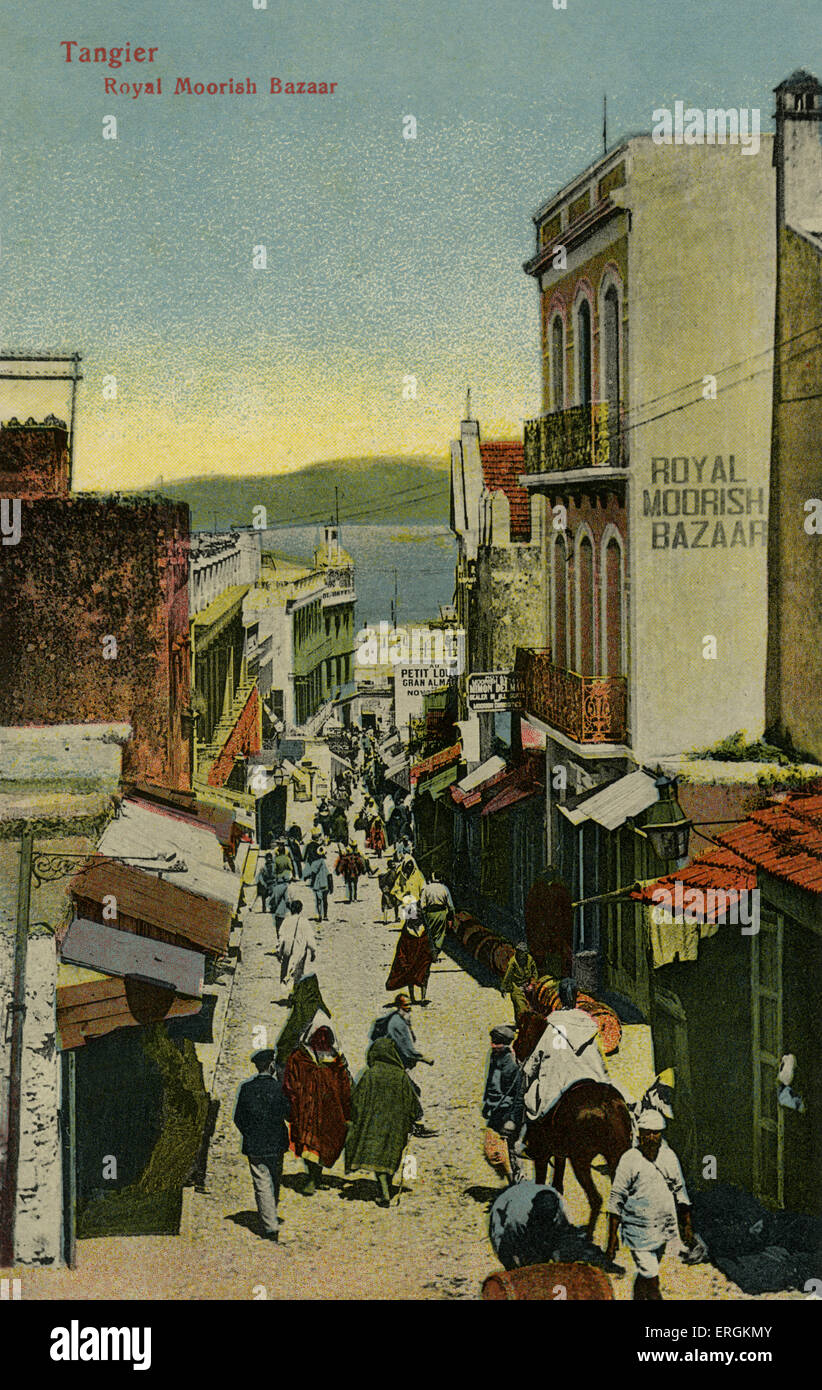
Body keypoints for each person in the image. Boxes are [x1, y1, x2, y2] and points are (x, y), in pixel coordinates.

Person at [605, 1110, 695, 1300]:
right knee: (652, 1278)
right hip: (637, 1230)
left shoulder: (669, 1157)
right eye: (647, 1132)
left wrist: (687, 1227)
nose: (652, 1137)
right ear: (640, 1134)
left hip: (663, 1228)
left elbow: (680, 1192)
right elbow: (616, 1199)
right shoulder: (629, 1159)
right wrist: (612, 1239)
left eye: (656, 1132)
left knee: (646, 1275)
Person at [344, 1036, 422, 1207]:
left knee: (378, 1156)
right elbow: (413, 1103)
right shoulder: (401, 1076)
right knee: (390, 1156)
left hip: (375, 1124)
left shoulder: (370, 1074)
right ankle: (386, 1188)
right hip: (396, 1126)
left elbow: (356, 1101)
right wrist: (415, 1117)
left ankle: (384, 1191)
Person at [521, 976, 611, 1124]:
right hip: (590, 1085)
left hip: (556, 1090)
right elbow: (601, 1063)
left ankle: (522, 1141)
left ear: (560, 998)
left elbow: (532, 1065)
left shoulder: (551, 1028)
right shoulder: (589, 1028)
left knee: (534, 1112)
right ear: (576, 997)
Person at [282, 1012, 352, 1197]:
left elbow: (345, 1083)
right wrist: (293, 1101)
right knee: (308, 1142)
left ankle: (316, 1176)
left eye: (325, 1035)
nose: (321, 1039)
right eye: (318, 1034)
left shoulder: (336, 1058)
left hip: (330, 1109)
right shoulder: (299, 1056)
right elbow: (290, 1081)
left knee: (326, 1141)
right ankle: (313, 1178)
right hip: (307, 1108)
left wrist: (347, 1108)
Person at [232, 1049, 291, 1242]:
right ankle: (270, 1219)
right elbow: (289, 1114)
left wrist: (249, 1134)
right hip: (276, 1143)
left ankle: (269, 1222)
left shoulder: (247, 1088)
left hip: (255, 1143)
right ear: (271, 1066)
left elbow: (238, 1118)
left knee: (261, 1182)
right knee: (274, 1179)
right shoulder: (279, 1088)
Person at [371, 994, 436, 1137]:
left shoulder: (399, 1018)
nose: (409, 1009)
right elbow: (407, 1049)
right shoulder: (398, 1023)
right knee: (412, 1091)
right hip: (392, 1063)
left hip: (391, 1062)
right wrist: (424, 1058)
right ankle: (416, 1126)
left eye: (410, 1005)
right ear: (399, 1007)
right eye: (406, 1006)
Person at [488, 1180, 589, 1270]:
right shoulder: (517, 1220)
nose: (546, 1222)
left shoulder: (561, 1213)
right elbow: (505, 1251)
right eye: (542, 1219)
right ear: (534, 1211)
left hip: (530, 1194)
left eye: (549, 1219)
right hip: (504, 1209)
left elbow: (560, 1242)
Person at [482, 1025, 525, 1185]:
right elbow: (490, 1082)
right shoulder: (494, 1056)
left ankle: (519, 1183)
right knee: (492, 1150)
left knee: (512, 1151)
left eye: (498, 1043)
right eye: (493, 1042)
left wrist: (513, 1119)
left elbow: (519, 1096)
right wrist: (486, 1104)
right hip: (495, 1109)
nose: (493, 1045)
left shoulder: (513, 1064)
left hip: (508, 1112)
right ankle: (511, 1180)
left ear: (506, 1044)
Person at [385, 895, 434, 1005]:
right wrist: (403, 961)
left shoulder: (424, 929)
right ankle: (413, 998)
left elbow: (429, 942)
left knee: (424, 975)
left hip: (423, 957)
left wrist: (431, 954)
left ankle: (422, 997)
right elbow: (401, 949)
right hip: (411, 958)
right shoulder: (407, 932)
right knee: (411, 977)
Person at [276, 899, 317, 992]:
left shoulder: (286, 921)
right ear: (301, 909)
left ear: (291, 909)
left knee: (287, 971)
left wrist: (279, 952)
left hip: (287, 950)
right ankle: (295, 992)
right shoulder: (304, 922)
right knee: (297, 973)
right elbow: (310, 938)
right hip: (300, 952)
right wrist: (313, 951)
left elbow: (281, 937)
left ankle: (289, 991)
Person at [499, 942, 538, 1023]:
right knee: (521, 1010)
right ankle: (520, 1026)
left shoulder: (529, 959)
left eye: (524, 953)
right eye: (520, 952)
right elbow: (507, 976)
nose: (522, 955)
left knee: (531, 1009)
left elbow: (534, 973)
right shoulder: (513, 962)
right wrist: (503, 988)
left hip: (528, 987)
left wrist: (532, 984)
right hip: (517, 987)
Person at [419, 875, 455, 961]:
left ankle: (432, 951)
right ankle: (436, 951)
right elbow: (450, 905)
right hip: (441, 913)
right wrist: (450, 918)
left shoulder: (427, 888)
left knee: (430, 933)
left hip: (430, 913)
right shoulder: (444, 888)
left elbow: (422, 904)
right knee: (440, 934)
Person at [302, 843, 333, 921]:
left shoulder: (315, 863)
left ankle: (319, 915)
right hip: (326, 883)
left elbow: (313, 873)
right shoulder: (327, 862)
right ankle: (325, 915)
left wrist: (308, 879)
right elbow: (330, 875)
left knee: (318, 901)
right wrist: (331, 886)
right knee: (325, 900)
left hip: (317, 884)